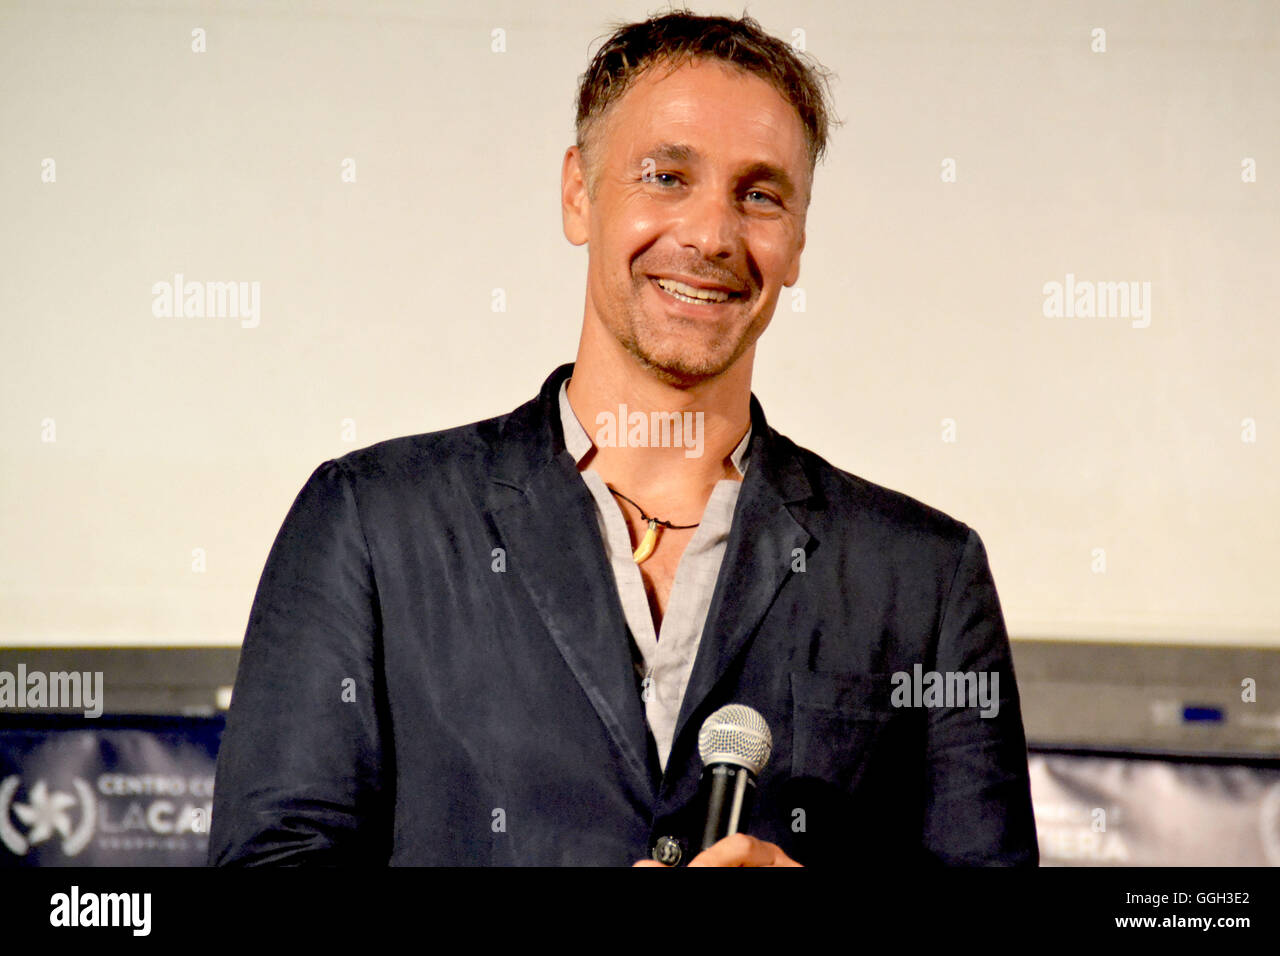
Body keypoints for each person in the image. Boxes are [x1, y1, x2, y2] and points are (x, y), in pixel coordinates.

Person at [209, 10, 1038, 867]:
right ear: (579, 193)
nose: (712, 235)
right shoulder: (370, 525)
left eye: (760, 194)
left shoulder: (925, 579)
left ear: (796, 240)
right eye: (667, 176)